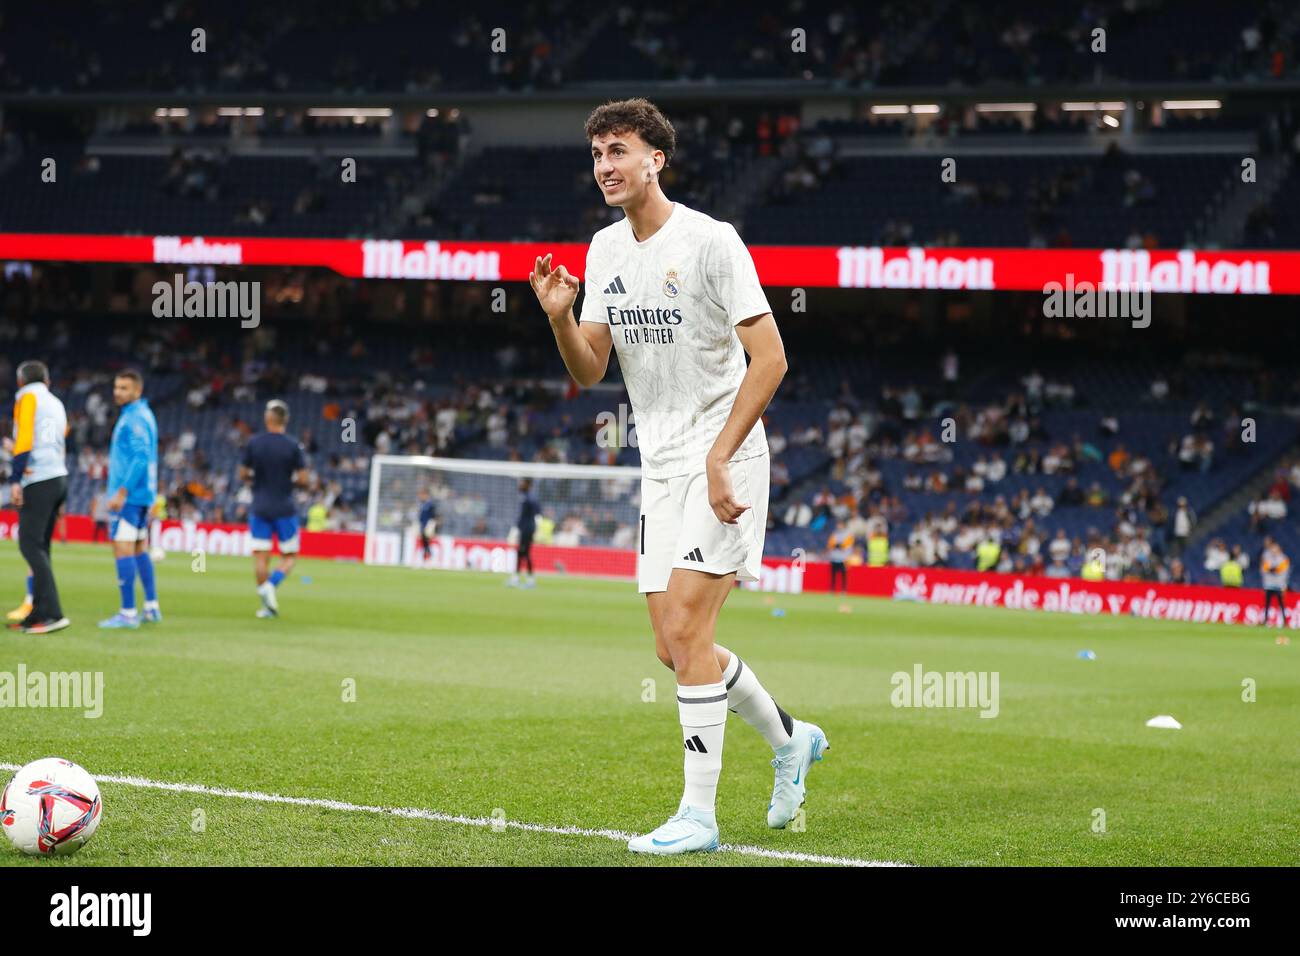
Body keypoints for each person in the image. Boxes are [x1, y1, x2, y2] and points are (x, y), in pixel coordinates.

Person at [529, 98, 826, 856]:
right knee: (674, 648)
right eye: (597, 153)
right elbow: (590, 369)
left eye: (619, 150)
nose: (605, 166)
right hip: (658, 467)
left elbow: (773, 359)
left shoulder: (711, 242)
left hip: (725, 456)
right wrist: (561, 317)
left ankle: (698, 815)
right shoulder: (601, 253)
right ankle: (789, 740)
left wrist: (721, 456)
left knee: (691, 630)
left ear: (656, 159)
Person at [6, 360, 70, 633]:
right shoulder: (56, 402)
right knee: (41, 547)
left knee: (29, 545)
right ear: (48, 381)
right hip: (58, 475)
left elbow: (23, 439)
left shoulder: (26, 397)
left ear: (20, 381)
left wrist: (16, 477)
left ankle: (53, 613)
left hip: (39, 477)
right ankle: (38, 614)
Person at [99, 369, 161, 629]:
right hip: (142, 494)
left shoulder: (134, 418)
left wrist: (122, 492)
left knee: (122, 548)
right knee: (138, 548)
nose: (118, 392)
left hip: (130, 496)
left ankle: (127, 613)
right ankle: (151, 606)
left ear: (138, 390)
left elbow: (140, 456)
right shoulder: (141, 414)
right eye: (116, 387)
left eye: (124, 388)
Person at [239, 400, 308, 619]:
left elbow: (242, 474)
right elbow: (304, 479)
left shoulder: (254, 443)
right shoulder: (292, 445)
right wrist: (289, 481)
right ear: (285, 420)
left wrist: (256, 478)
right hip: (284, 507)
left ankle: (266, 604)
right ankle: (272, 585)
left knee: (261, 557)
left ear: (268, 419)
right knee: (289, 556)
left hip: (260, 506)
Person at [505, 479, 539, 588]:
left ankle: (530, 581)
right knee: (520, 553)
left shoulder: (530, 498)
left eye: (523, 483)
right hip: (524, 528)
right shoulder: (525, 497)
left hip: (527, 529)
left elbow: (536, 514)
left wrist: (519, 528)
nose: (520, 485)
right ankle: (516, 578)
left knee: (525, 553)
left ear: (528, 484)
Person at [1260, 538, 1290, 626]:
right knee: (1267, 604)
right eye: (1272, 548)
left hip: (1279, 585)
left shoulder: (1284, 558)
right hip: (1269, 585)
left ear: (1279, 549)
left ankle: (1284, 621)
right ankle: (1265, 620)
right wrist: (1273, 569)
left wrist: (1272, 569)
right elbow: (1265, 568)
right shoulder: (1267, 557)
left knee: (1281, 604)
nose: (1273, 550)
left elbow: (1281, 570)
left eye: (1275, 548)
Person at [417, 488, 437, 560]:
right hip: (422, 525)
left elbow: (433, 517)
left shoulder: (430, 504)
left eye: (422, 495)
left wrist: (431, 527)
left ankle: (429, 558)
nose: (420, 496)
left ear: (426, 495)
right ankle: (426, 558)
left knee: (426, 542)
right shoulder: (422, 504)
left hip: (428, 526)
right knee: (424, 543)